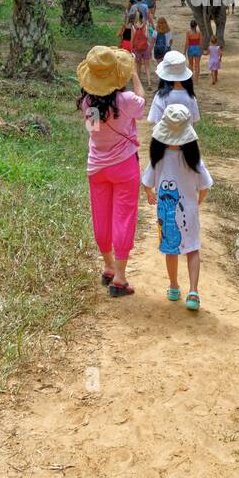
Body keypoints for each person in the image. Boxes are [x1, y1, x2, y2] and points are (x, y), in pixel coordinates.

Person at [77, 46, 145, 299]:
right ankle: (120, 277)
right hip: (124, 166)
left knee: (101, 216)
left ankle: (107, 266)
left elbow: (93, 132)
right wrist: (135, 74)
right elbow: (141, 101)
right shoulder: (125, 101)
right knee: (123, 217)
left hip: (96, 167)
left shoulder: (88, 103)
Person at [142, 103, 213, 311]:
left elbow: (147, 182)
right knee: (192, 249)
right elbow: (205, 185)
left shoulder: (159, 157)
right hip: (189, 211)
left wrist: (150, 194)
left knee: (171, 250)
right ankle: (193, 292)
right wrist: (198, 201)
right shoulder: (193, 159)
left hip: (165, 214)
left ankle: (174, 287)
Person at [149, 50, 200, 125]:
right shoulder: (190, 96)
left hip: (165, 136)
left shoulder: (161, 96)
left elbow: (157, 121)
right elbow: (194, 119)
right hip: (186, 136)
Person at [130, 11, 151, 87]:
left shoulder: (133, 27)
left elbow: (132, 40)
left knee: (138, 66)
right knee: (147, 66)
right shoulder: (146, 25)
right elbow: (148, 37)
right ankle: (149, 83)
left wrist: (131, 49)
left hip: (137, 49)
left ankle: (138, 83)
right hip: (145, 47)